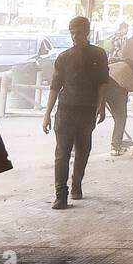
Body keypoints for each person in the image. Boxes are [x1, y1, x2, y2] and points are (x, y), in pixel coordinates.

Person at [42, 17, 109, 210]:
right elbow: (55, 87)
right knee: (62, 153)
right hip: (65, 110)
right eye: (72, 33)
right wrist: (47, 113)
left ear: (87, 33)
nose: (74, 36)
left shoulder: (98, 54)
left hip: (87, 110)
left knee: (83, 150)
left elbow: (103, 81)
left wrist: (101, 104)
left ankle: (76, 184)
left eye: (78, 32)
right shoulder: (63, 57)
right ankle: (60, 195)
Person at [103, 54, 133, 155]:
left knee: (90, 118)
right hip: (116, 86)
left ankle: (75, 147)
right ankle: (116, 147)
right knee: (121, 117)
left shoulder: (129, 64)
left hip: (102, 80)